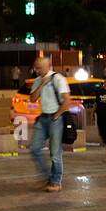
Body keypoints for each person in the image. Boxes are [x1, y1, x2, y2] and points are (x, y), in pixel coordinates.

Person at [29, 56, 72, 192]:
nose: (37, 70)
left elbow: (67, 101)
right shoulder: (37, 80)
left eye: (39, 68)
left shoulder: (58, 79)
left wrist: (57, 115)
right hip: (43, 118)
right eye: (36, 68)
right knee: (34, 148)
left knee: (55, 152)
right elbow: (33, 99)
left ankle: (56, 181)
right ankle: (46, 175)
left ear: (48, 66)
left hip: (55, 118)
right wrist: (41, 84)